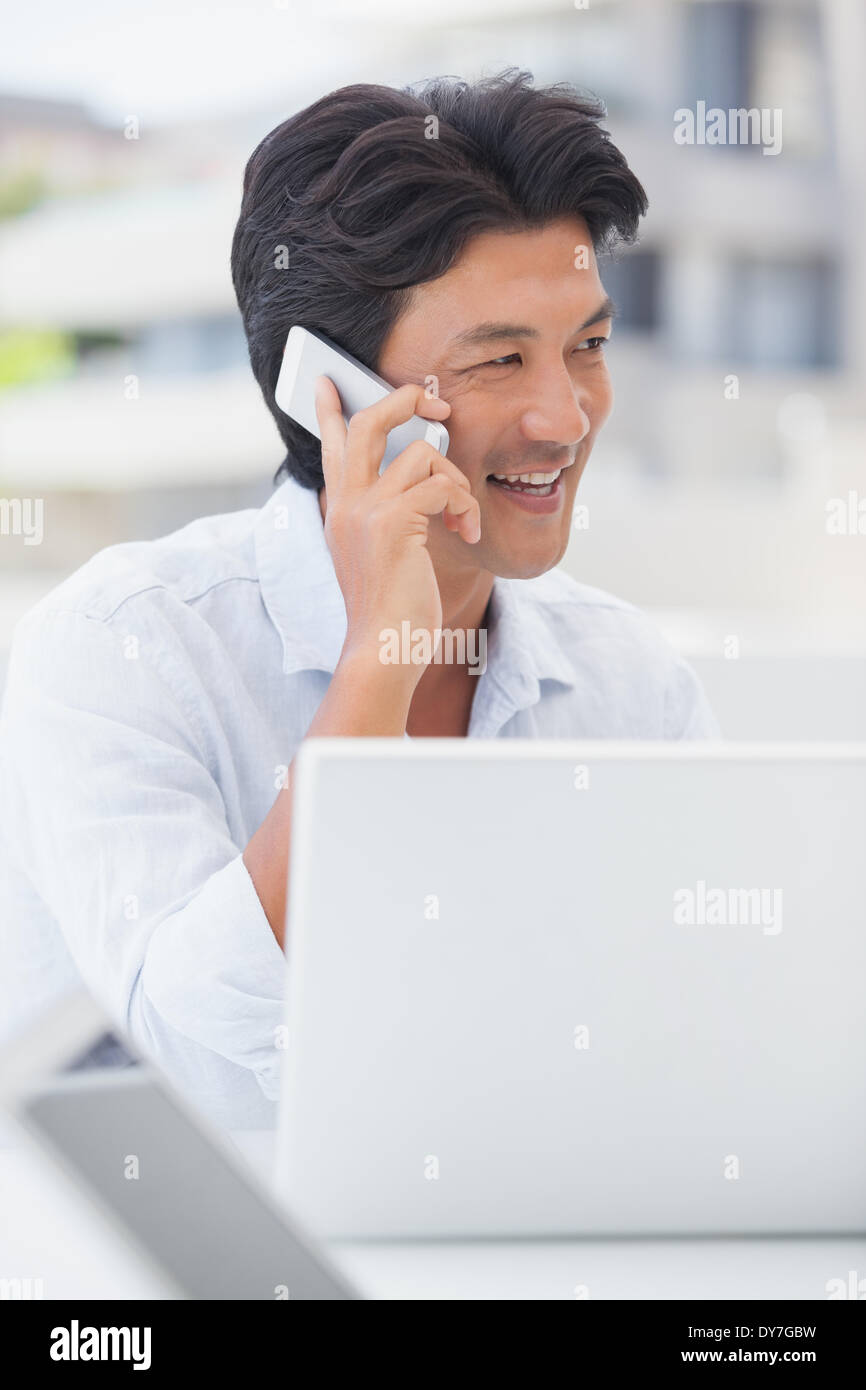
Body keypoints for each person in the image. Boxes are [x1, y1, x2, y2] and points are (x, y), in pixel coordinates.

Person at [0, 71, 719, 1130]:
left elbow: (697, 1046)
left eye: (587, 346)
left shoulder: (630, 684)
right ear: (328, 390)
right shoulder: (124, 647)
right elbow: (199, 1053)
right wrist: (379, 661)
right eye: (498, 361)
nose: (564, 417)